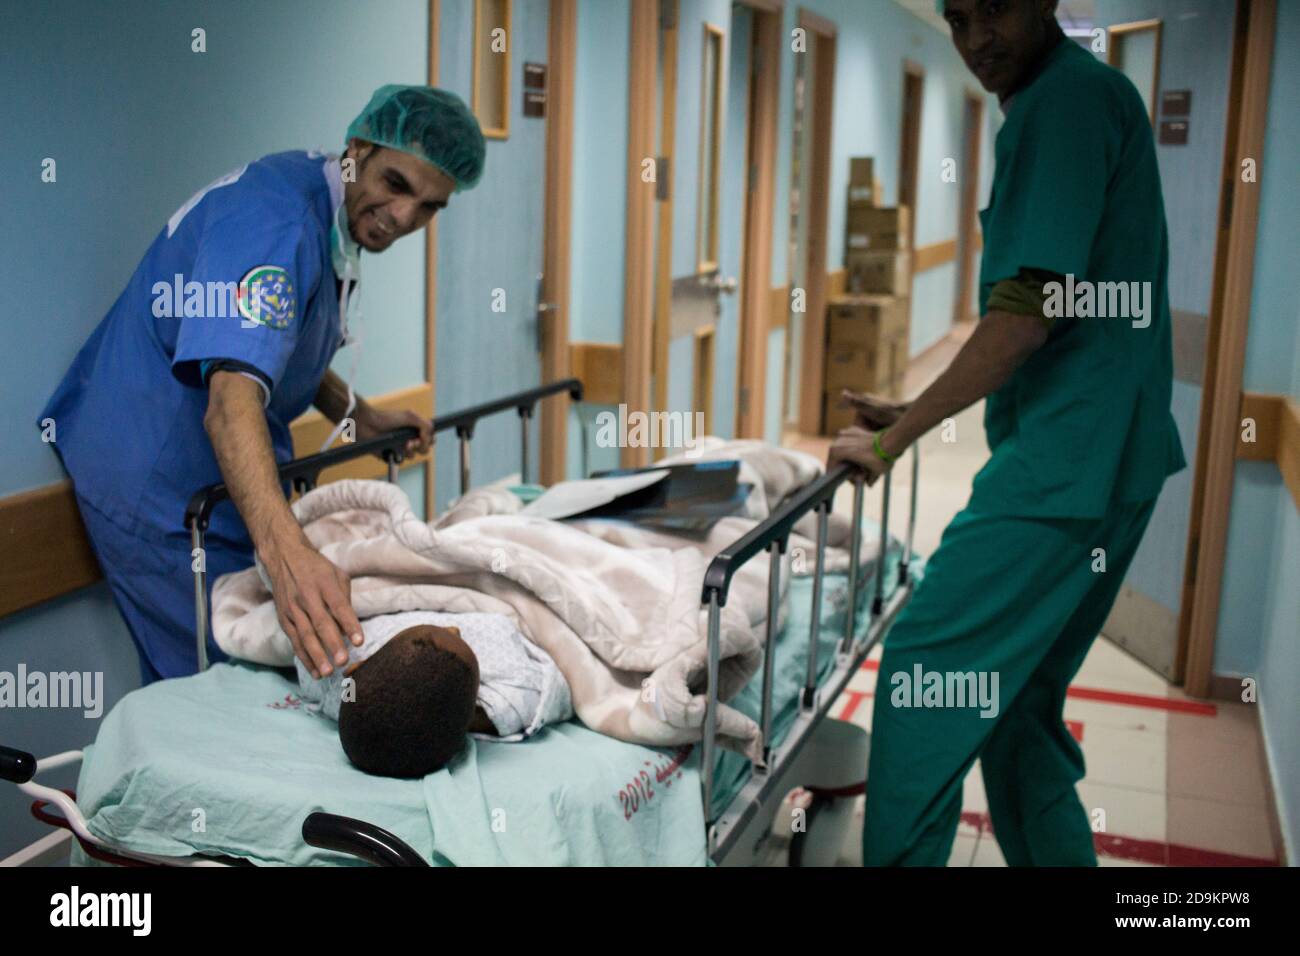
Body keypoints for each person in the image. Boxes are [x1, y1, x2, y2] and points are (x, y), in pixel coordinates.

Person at [830, 0, 1185, 865]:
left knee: (923, 673)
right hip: (1108, 455)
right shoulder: (1082, 99)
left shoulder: (1064, 103)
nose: (975, 38)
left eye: (994, 11)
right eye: (956, 18)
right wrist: (904, 409)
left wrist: (895, 437)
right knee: (1017, 710)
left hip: (1068, 465)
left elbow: (1024, 316)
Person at [40, 85, 486, 684]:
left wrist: (359, 416)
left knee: (267, 661)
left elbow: (269, 342)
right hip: (156, 483)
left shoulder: (320, 201)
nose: (405, 217)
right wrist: (286, 558)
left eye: (431, 206)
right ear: (356, 150)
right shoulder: (276, 224)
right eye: (397, 184)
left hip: (216, 478)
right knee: (227, 685)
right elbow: (229, 406)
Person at [296, 611, 573, 778]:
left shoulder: (331, 671)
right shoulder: (502, 699)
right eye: (456, 636)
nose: (454, 628)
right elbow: (548, 692)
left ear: (355, 666)